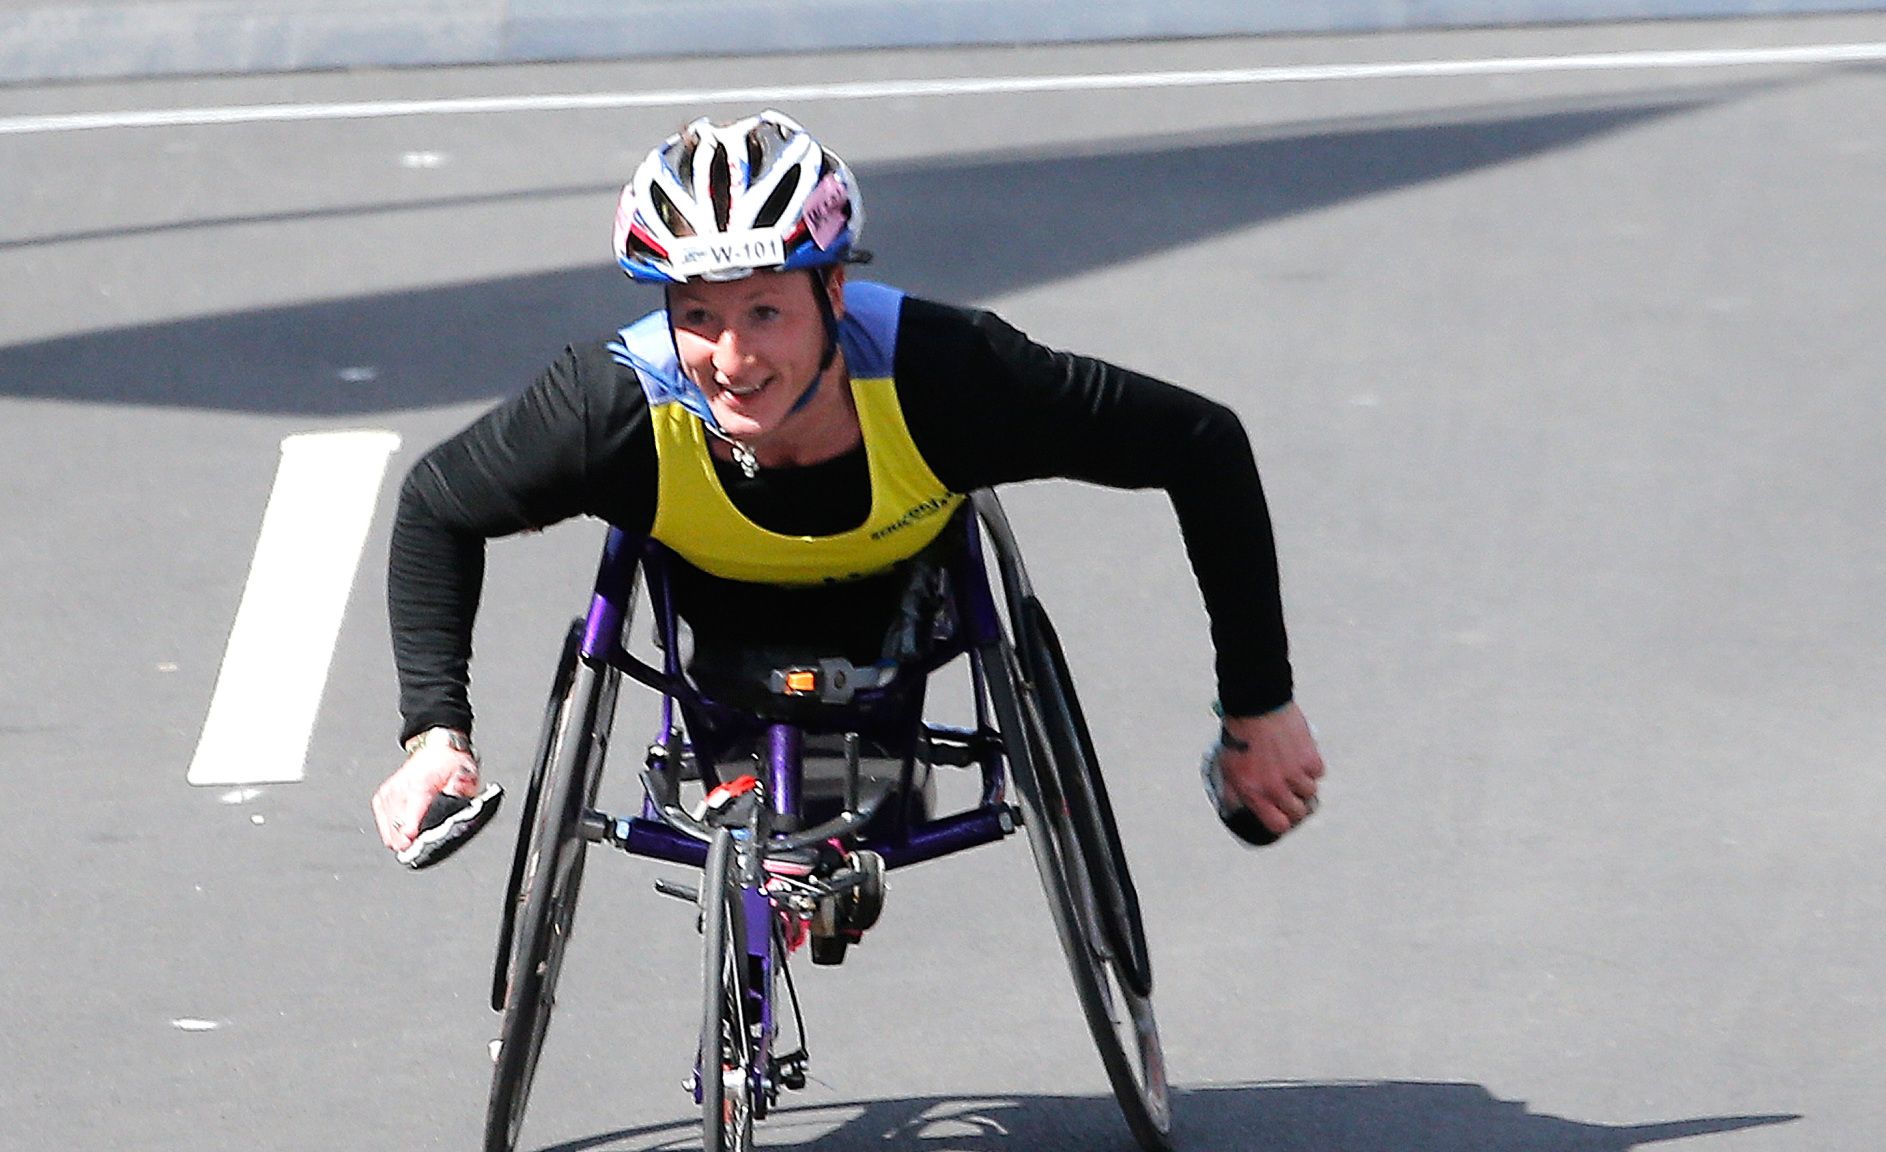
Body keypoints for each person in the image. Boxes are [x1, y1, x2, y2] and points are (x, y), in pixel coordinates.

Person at [371, 109, 1324, 864]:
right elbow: (437, 507)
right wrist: (435, 737)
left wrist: (1259, 706)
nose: (732, 357)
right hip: (711, 619)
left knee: (865, 738)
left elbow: (1203, 443)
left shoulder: (951, 377)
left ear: (833, 293)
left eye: (765, 310)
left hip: (904, 605)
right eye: (696, 315)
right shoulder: (609, 406)